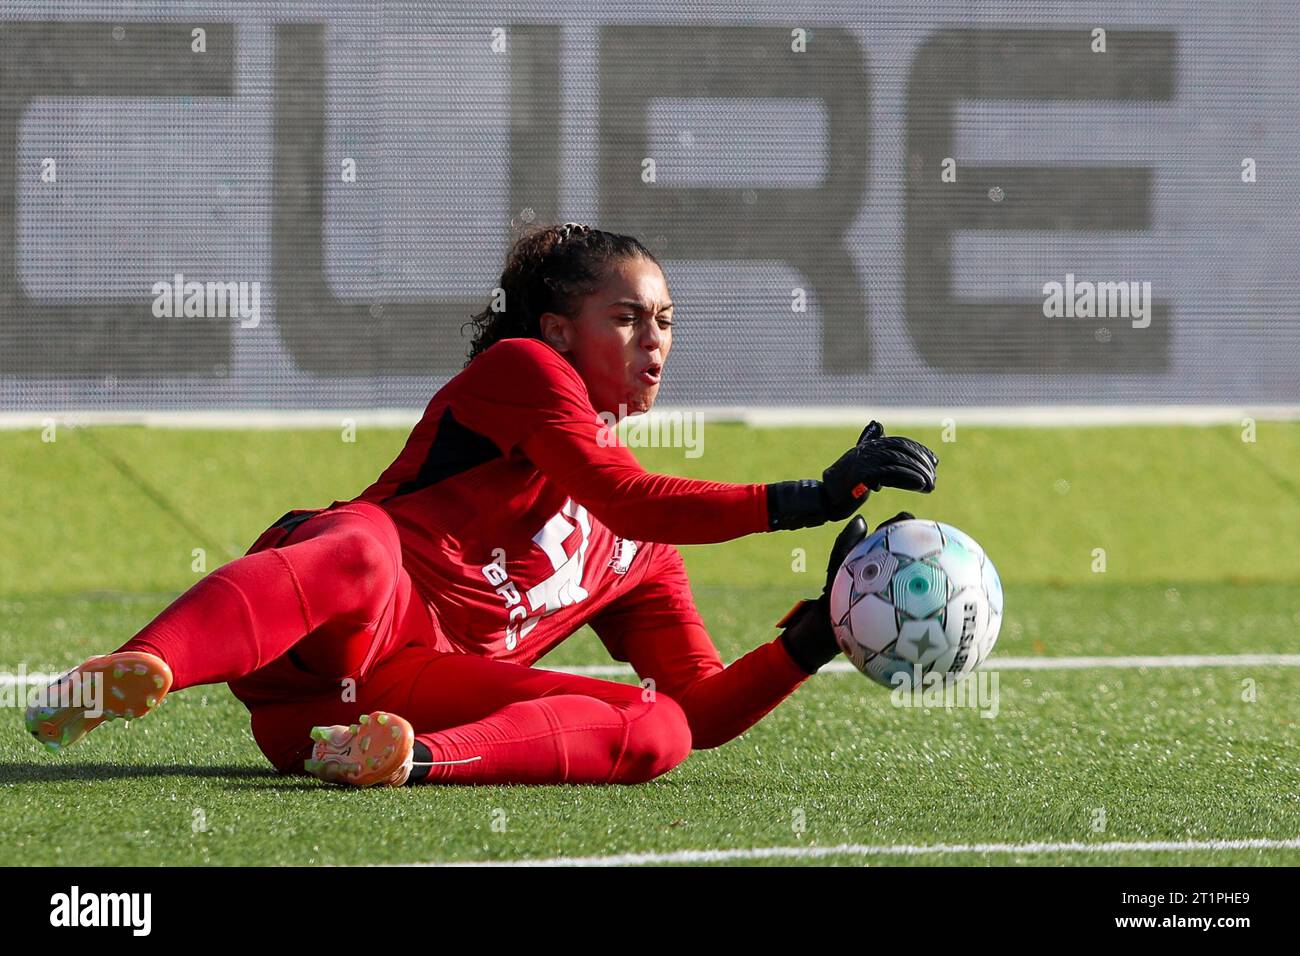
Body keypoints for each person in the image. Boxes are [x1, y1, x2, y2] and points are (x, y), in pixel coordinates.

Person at [27, 223, 938, 787]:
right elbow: (622, 493)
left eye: (665, 320)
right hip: (325, 622)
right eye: (626, 316)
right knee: (367, 544)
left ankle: (404, 761)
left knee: (654, 728)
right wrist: (807, 498)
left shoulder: (643, 558)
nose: (653, 340)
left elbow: (699, 709)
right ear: (556, 330)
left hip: (347, 716)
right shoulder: (523, 371)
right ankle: (134, 668)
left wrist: (812, 637)